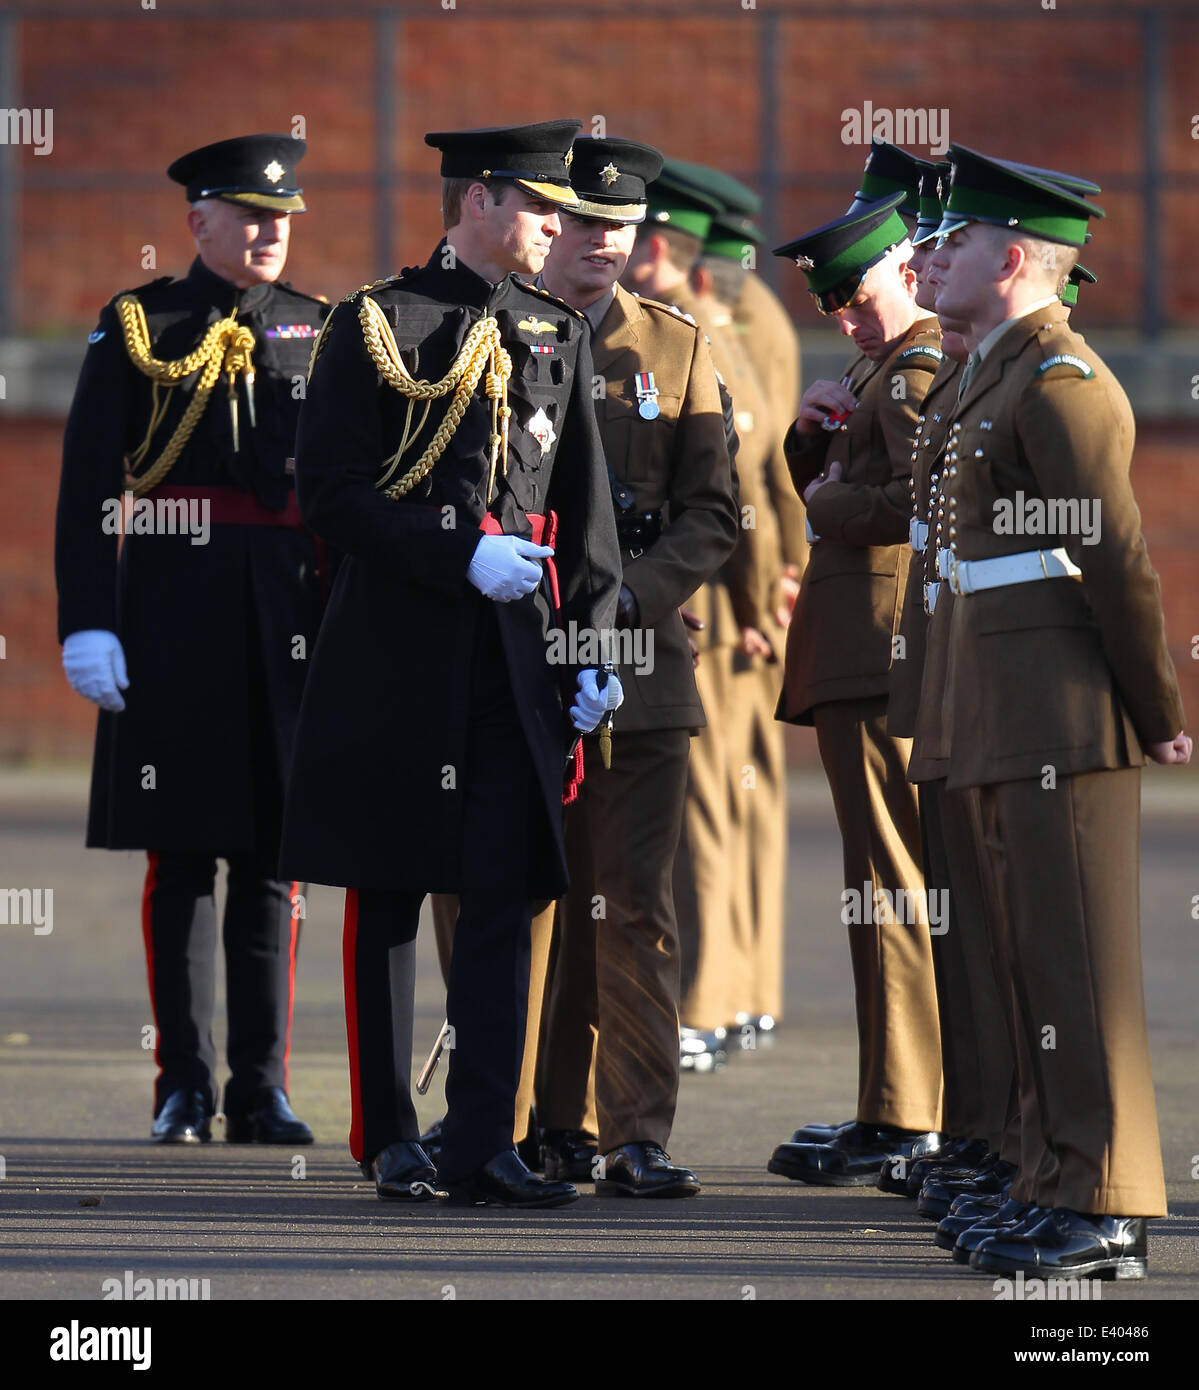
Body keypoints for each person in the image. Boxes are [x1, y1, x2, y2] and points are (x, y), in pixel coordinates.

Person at [277, 120, 624, 1208]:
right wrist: (453, 552)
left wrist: (593, 647)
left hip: (511, 658)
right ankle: (388, 1130)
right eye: (538, 207)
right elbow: (329, 491)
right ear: (477, 201)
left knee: (500, 886)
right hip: (393, 650)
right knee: (385, 887)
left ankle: (482, 1135)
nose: (556, 228)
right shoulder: (377, 322)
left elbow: (584, 514)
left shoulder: (554, 332)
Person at [922, 145, 1190, 1279]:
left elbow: (1115, 556)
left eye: (959, 240)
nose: (934, 257)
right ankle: (1050, 1175)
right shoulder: (996, 370)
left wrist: (1154, 706)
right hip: (998, 699)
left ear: (1016, 255)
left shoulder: (1061, 380)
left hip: (1063, 710)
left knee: (1079, 969)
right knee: (1032, 960)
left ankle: (1109, 1205)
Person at [55, 133, 327, 1146]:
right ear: (197, 222)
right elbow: (88, 484)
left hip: (287, 618)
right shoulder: (140, 325)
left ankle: (262, 1086)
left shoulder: (322, 329)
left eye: (283, 216)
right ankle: (184, 1082)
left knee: (271, 863)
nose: (270, 230)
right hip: (170, 614)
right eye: (250, 215)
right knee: (179, 861)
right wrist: (86, 619)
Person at [534, 136, 739, 1196]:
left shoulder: (678, 348)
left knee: (635, 907)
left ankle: (636, 1132)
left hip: (640, 668)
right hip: (518, 663)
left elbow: (714, 516)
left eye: (620, 228)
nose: (604, 243)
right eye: (583, 224)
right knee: (528, 905)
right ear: (546, 225)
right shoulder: (495, 334)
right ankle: (539, 1119)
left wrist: (631, 597)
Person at [765, 188, 946, 1186]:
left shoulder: (912, 364)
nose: (840, 312)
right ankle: (897, 1104)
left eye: (854, 289)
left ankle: (906, 1112)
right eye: (827, 297)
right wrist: (807, 440)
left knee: (890, 883)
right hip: (853, 658)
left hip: (877, 654)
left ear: (907, 272)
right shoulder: (875, 365)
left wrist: (822, 495)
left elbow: (924, 498)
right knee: (874, 883)